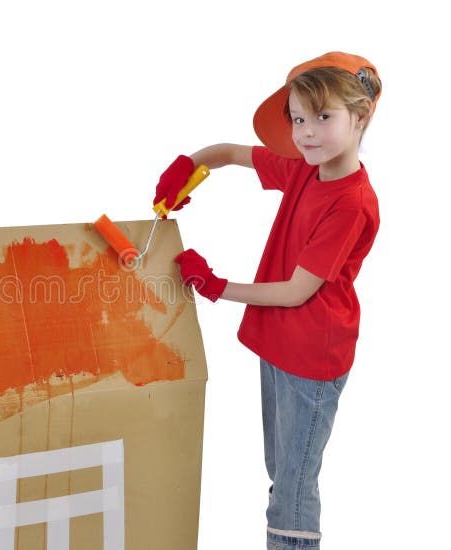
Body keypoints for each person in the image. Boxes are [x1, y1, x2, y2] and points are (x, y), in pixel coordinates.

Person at [157, 52, 381, 549]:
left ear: (360, 116)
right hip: (280, 345)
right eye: (299, 118)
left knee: (294, 491)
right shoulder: (306, 168)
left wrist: (216, 286)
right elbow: (234, 153)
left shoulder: (350, 202)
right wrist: (189, 166)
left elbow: (297, 290)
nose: (306, 132)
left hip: (312, 358)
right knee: (280, 473)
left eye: (323, 117)